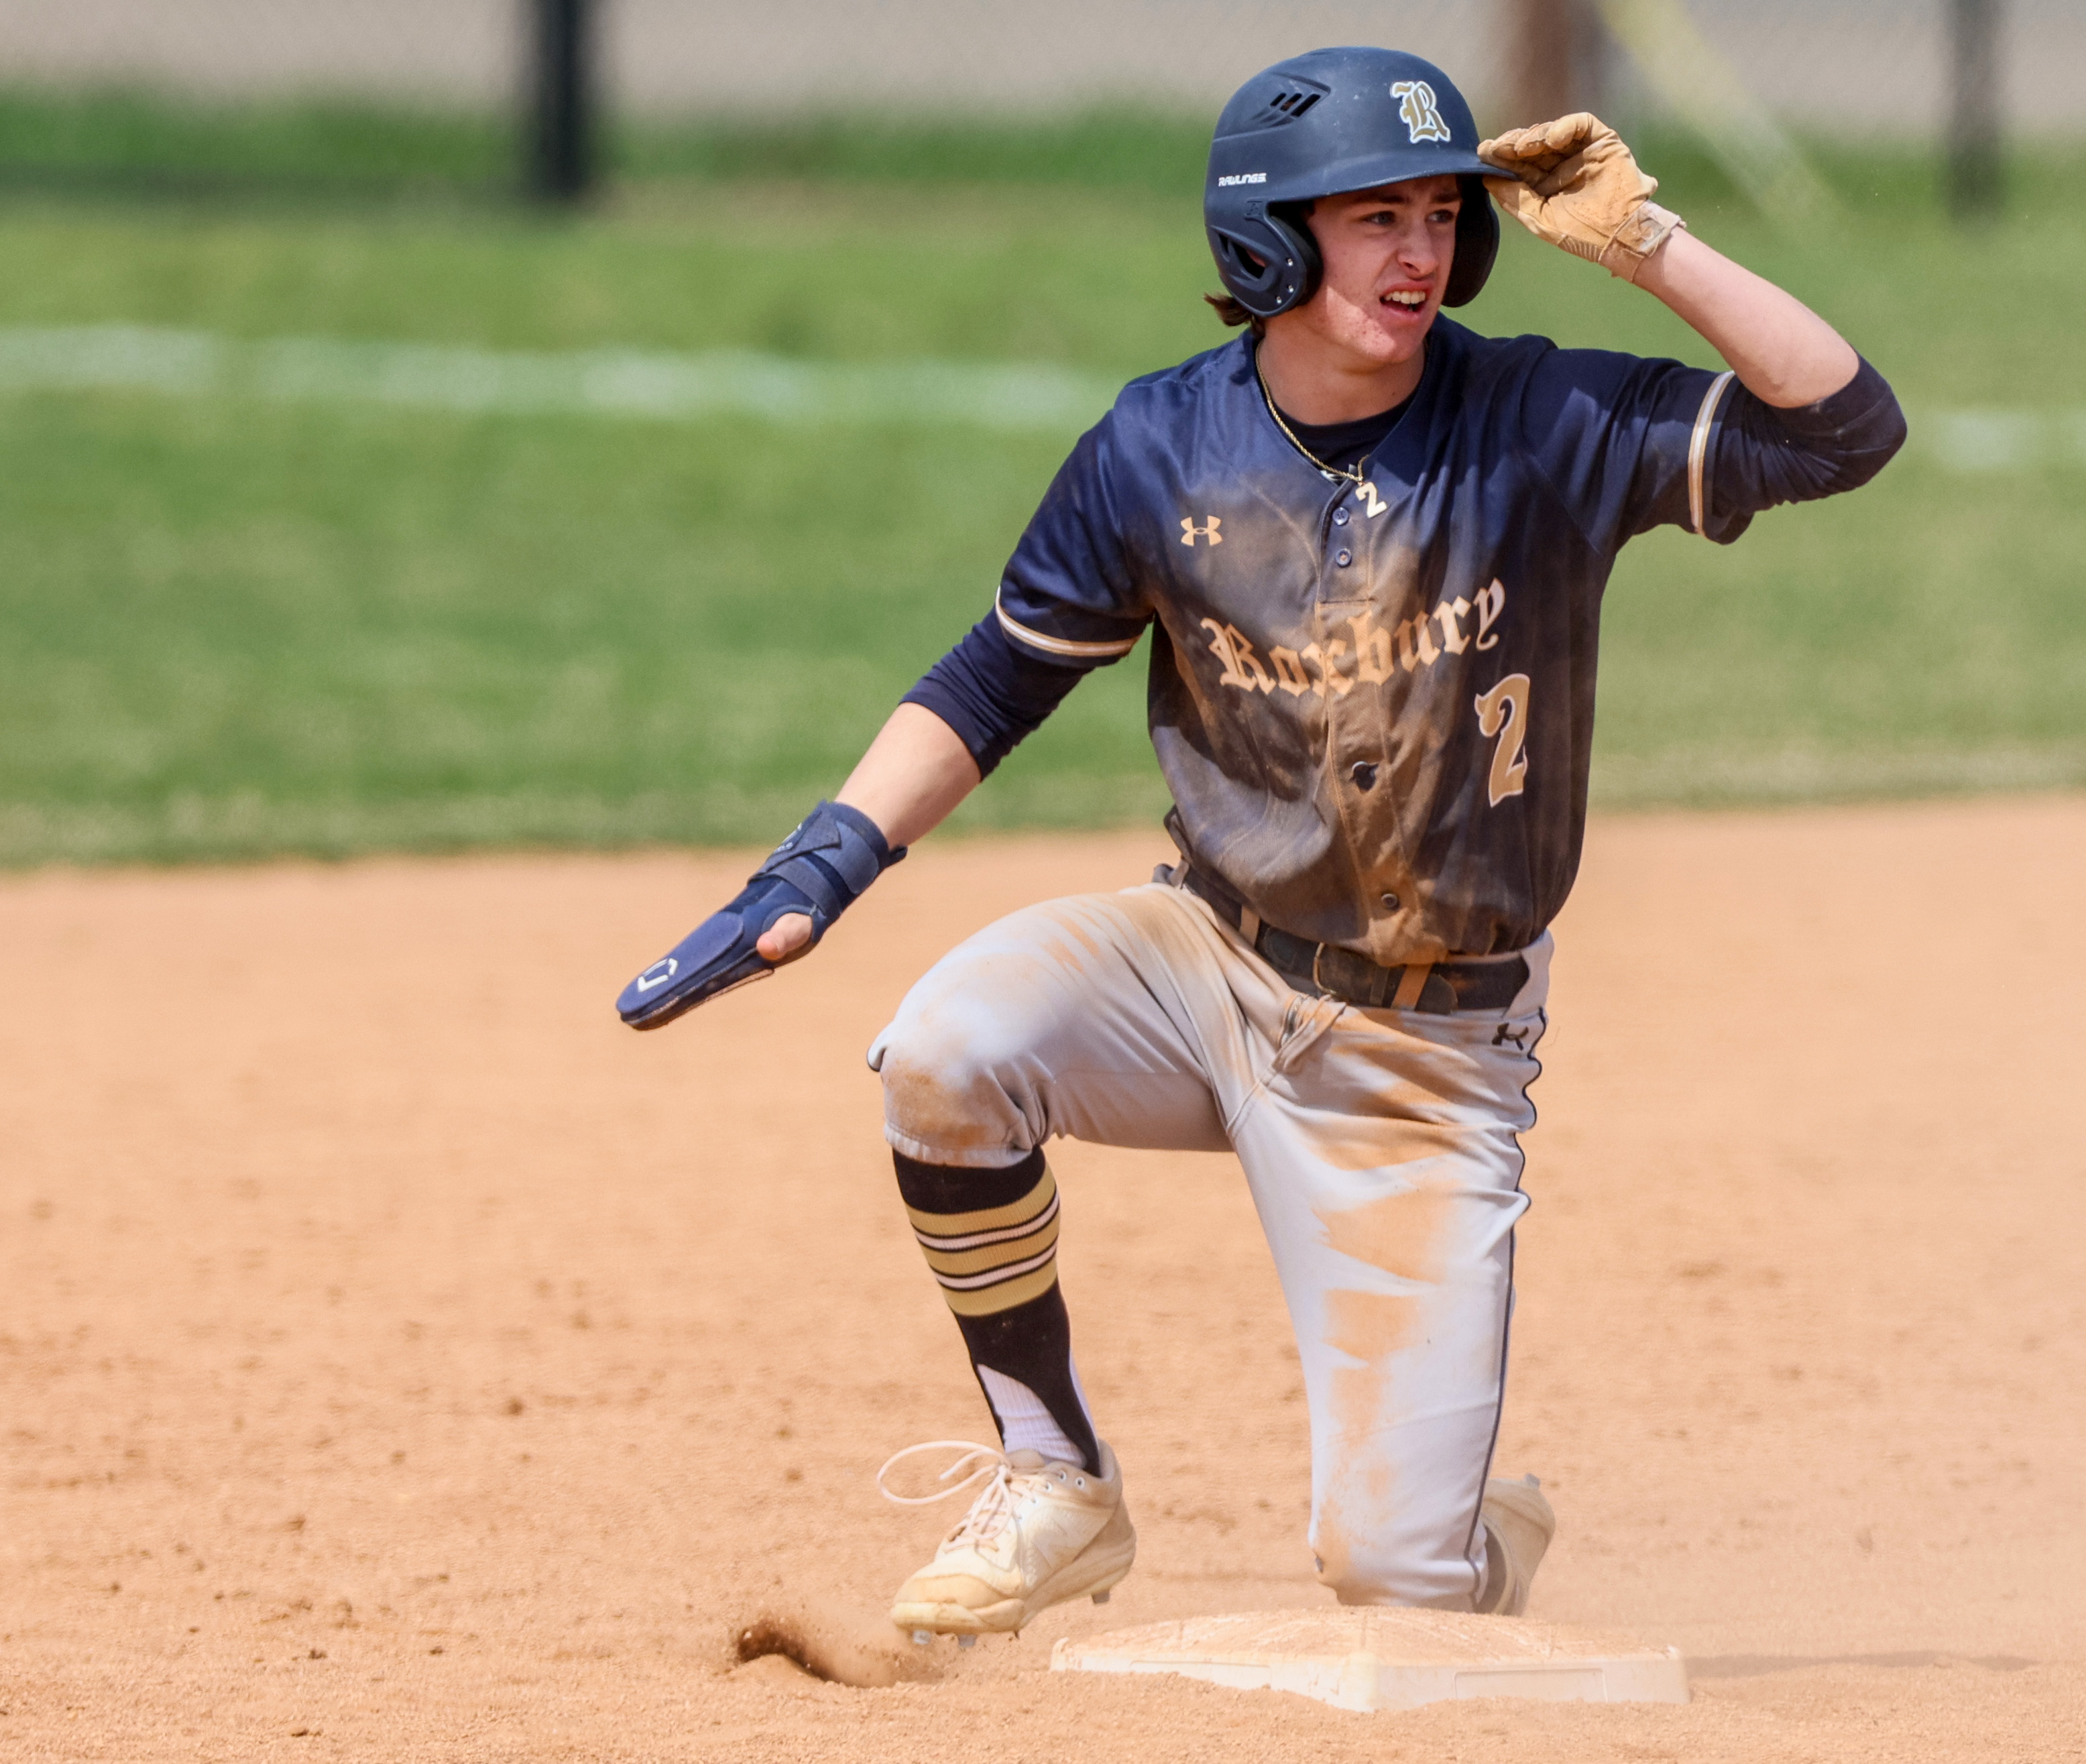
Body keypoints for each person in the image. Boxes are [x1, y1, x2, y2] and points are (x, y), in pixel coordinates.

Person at [618, 46, 1905, 1640]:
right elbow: (995, 677)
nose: (1422, 251)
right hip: (1206, 965)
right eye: (1374, 216)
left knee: (1395, 1582)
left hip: (1424, 1060)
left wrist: (1651, 243)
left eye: (1442, 212)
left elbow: (1848, 427)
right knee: (945, 1049)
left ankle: (1464, 1529)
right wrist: (817, 868)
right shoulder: (1161, 449)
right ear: (1267, 244)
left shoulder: (1542, 417)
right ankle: (1056, 1479)